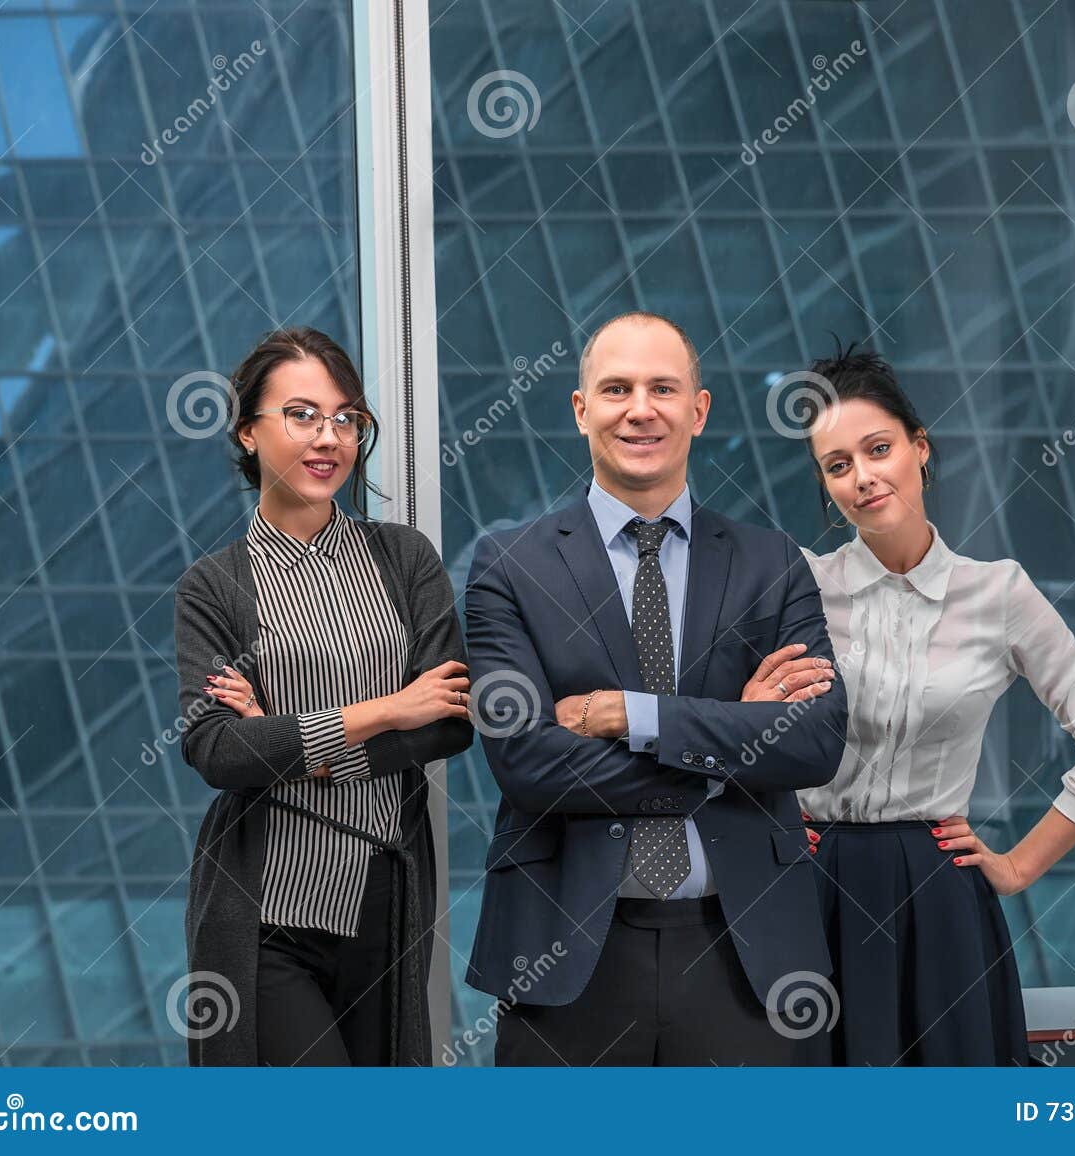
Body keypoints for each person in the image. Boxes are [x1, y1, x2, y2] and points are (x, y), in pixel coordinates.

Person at [463, 311, 850, 1065]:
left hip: (748, 954)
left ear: (698, 411)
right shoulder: (509, 566)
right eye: (617, 389)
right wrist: (734, 736)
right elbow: (527, 764)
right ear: (582, 410)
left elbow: (814, 741)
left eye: (663, 389)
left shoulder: (772, 563)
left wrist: (630, 715)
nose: (640, 409)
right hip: (565, 956)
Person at [782, 344, 1075, 1065]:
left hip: (938, 897)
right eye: (838, 465)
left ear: (919, 448)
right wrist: (771, 817)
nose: (863, 477)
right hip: (811, 885)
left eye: (878, 449)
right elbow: (722, 728)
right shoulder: (798, 586)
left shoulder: (998, 592)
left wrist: (1018, 867)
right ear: (825, 485)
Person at [172, 326, 473, 1065]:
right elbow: (216, 750)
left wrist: (292, 744)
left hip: (383, 898)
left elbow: (448, 721)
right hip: (265, 908)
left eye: (346, 418)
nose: (329, 437)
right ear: (248, 432)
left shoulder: (404, 558)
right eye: (302, 415)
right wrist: (385, 709)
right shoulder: (213, 587)